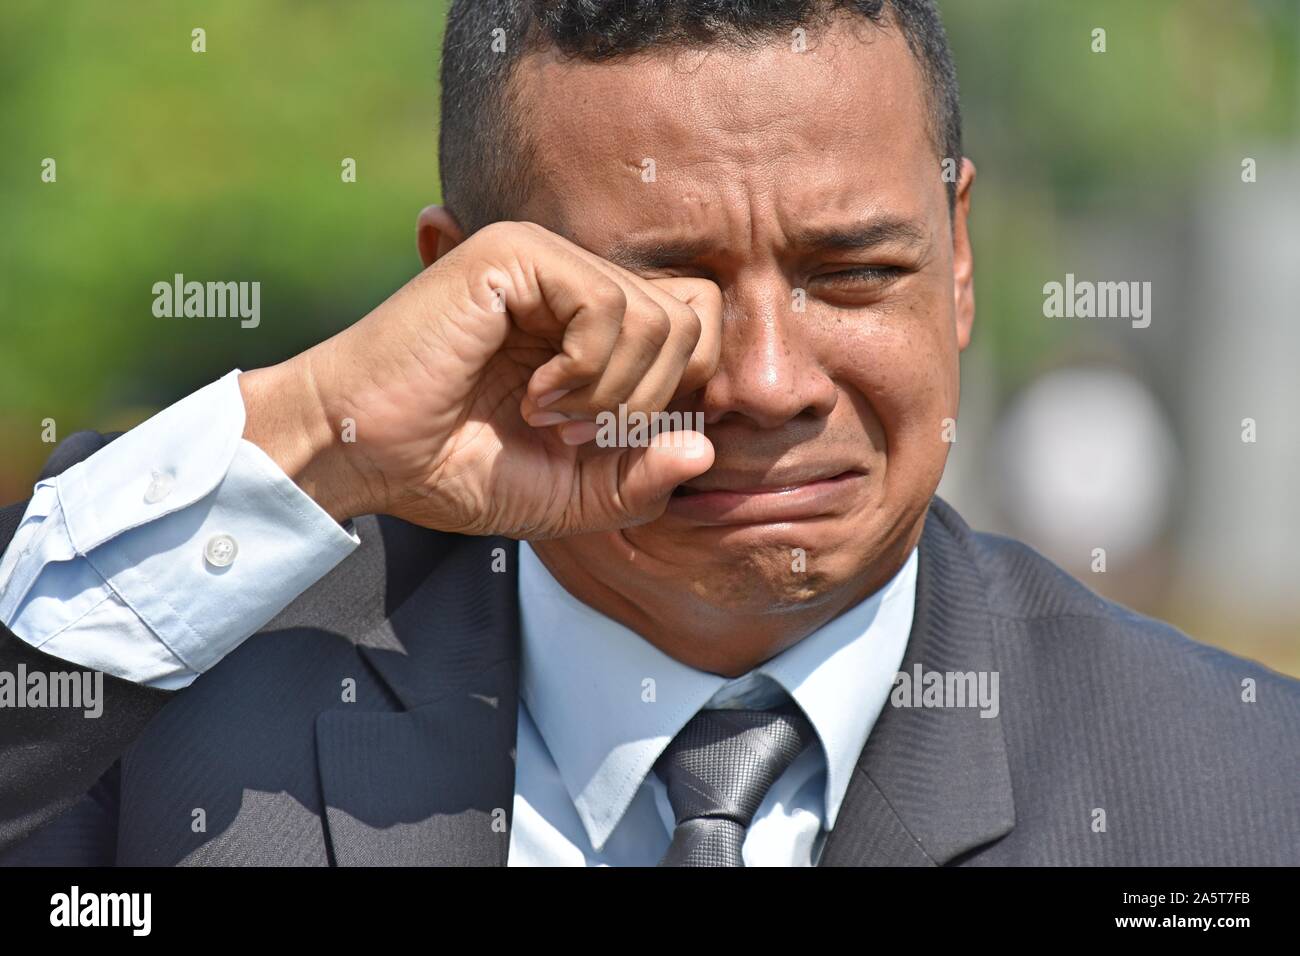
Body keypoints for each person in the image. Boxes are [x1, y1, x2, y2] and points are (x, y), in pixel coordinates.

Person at [1, 0, 1296, 866]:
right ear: (462, 290)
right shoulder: (171, 708)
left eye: (854, 275)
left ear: (958, 258)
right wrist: (318, 433)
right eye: (657, 301)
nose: (769, 383)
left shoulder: (1237, 788)